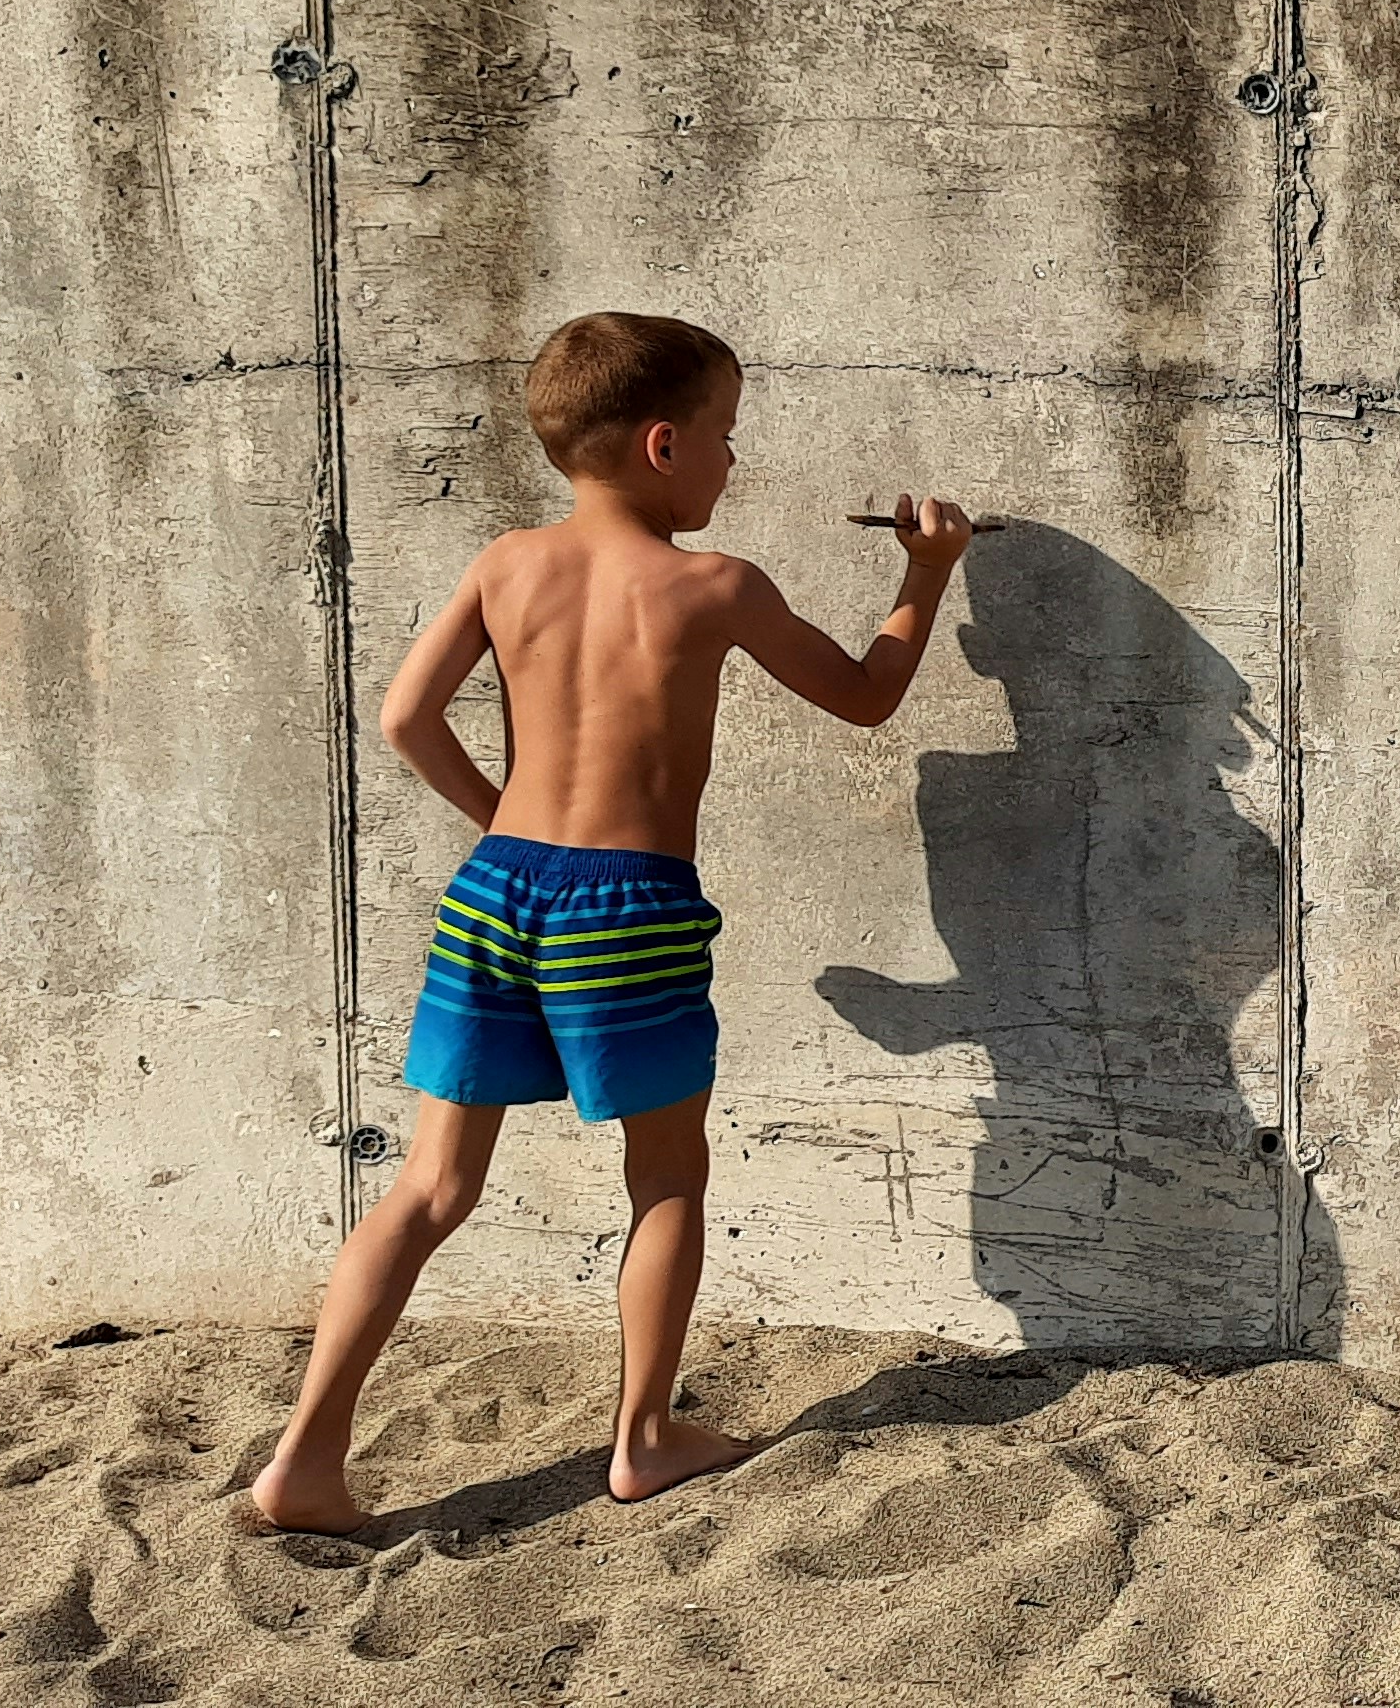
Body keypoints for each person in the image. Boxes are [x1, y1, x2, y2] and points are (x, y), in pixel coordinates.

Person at [251, 311, 973, 1534]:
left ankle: (305, 1461)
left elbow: (405, 722)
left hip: (497, 890)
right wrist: (928, 572)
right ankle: (641, 1438)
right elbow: (864, 697)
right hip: (626, 908)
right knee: (666, 1175)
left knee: (429, 1187)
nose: (733, 462)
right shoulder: (714, 586)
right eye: (725, 437)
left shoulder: (504, 563)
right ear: (661, 446)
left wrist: (506, 821)